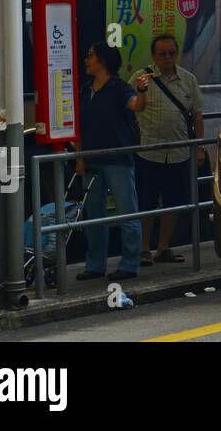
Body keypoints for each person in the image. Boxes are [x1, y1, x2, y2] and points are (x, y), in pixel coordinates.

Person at [130, 33, 205, 265]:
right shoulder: (141, 78)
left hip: (179, 152)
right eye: (162, 53)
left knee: (173, 203)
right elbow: (130, 106)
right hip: (148, 151)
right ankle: (143, 249)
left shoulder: (188, 79)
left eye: (171, 52)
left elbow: (197, 115)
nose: (167, 57)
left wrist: (199, 147)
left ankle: (163, 248)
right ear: (153, 56)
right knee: (146, 203)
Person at [76, 42, 145, 282]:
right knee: (93, 215)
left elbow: (137, 105)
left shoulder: (119, 88)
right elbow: (79, 128)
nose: (86, 60)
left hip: (118, 158)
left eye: (90, 56)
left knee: (127, 212)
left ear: (103, 61)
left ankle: (130, 263)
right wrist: (80, 157)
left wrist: (142, 91)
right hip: (92, 158)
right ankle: (95, 264)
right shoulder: (86, 90)